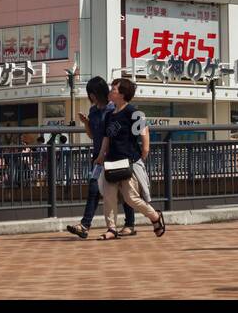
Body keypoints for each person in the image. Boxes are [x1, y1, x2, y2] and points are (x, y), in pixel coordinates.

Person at [95, 77, 166, 239]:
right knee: (109, 196)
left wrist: (145, 150)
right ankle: (111, 230)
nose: (110, 91)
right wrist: (100, 156)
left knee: (131, 198)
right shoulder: (109, 115)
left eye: (113, 89)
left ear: (122, 94)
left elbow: (144, 130)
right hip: (111, 161)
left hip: (128, 161)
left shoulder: (132, 112)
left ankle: (155, 216)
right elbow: (107, 137)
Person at [64, 76, 135, 238]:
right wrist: (87, 123)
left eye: (92, 93)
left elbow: (111, 135)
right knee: (93, 189)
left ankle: (129, 224)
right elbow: (92, 135)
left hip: (113, 155)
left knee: (124, 191)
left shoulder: (112, 109)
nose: (91, 97)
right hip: (98, 156)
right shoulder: (94, 110)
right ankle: (85, 225)